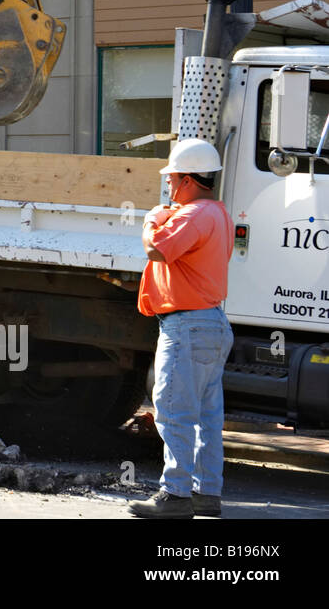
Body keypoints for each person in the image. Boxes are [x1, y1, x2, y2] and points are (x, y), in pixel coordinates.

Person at [128, 138, 235, 519]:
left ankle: (174, 495)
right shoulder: (219, 213)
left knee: (173, 412)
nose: (170, 188)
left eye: (172, 180)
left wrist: (151, 218)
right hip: (211, 323)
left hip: (187, 326)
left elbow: (156, 248)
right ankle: (207, 494)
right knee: (207, 417)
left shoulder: (193, 215)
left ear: (188, 179)